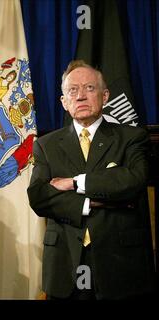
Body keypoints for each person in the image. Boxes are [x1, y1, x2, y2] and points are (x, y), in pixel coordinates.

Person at [27, 60, 156, 300]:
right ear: (64, 102)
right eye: (72, 91)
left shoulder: (132, 137)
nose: (80, 96)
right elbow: (39, 197)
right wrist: (90, 204)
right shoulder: (46, 146)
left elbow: (133, 181)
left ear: (105, 96)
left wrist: (74, 183)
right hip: (65, 265)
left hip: (121, 266)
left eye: (89, 88)